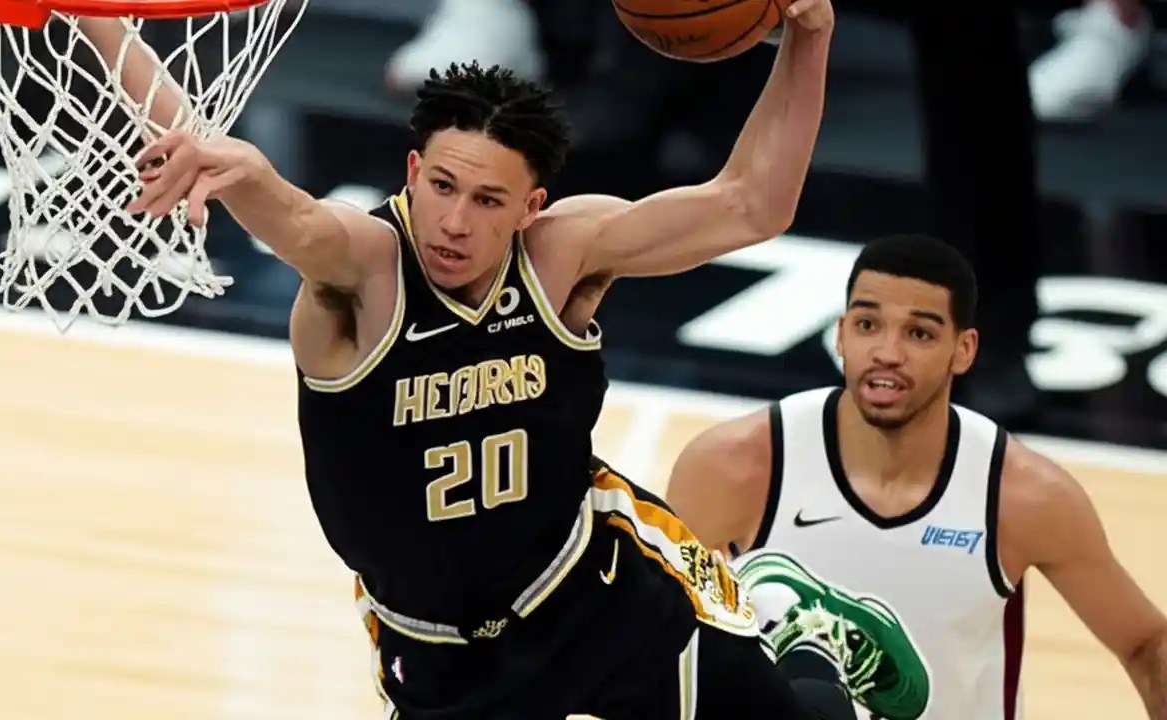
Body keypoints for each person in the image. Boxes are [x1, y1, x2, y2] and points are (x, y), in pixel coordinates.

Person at [77, 0, 932, 717]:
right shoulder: (364, 272)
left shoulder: (564, 256)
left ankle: (788, 623)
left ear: (531, 207)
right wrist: (106, 25)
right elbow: (275, 203)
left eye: (488, 201)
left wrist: (811, 38)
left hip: (595, 592)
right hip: (442, 656)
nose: (455, 221)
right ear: (413, 172)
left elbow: (752, 205)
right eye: (442, 187)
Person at [664, 234, 1167, 719]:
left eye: (919, 333)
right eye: (867, 325)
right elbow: (657, 645)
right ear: (840, 334)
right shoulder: (734, 467)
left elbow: (1147, 644)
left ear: (964, 350)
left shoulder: (1022, 496)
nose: (887, 352)